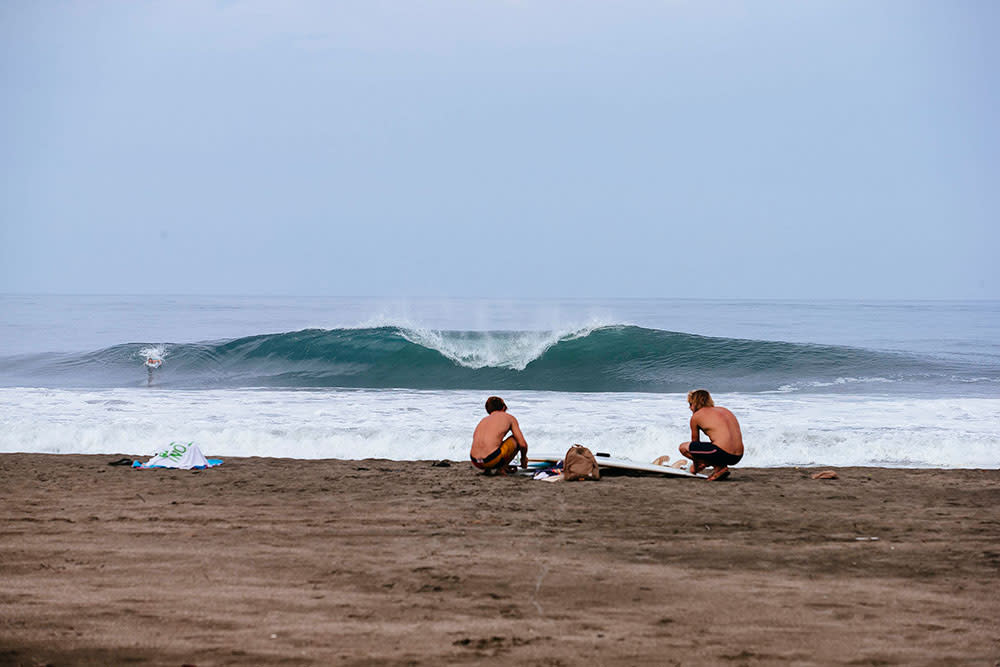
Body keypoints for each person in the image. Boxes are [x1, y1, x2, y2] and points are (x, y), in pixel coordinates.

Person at [678, 389, 743, 481]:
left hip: (721, 453)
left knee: (683, 447)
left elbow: (694, 444)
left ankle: (719, 467)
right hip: (737, 456)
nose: (690, 407)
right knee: (713, 446)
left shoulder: (696, 416)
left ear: (695, 403)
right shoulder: (724, 410)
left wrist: (695, 468)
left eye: (690, 404)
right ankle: (718, 466)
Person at [470, 396, 528, 475]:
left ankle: (487, 470)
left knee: (494, 442)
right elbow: (523, 444)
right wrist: (523, 459)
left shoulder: (484, 420)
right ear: (504, 407)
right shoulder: (509, 418)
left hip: (476, 461)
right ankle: (502, 468)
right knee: (516, 439)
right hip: (491, 460)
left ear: (488, 409)